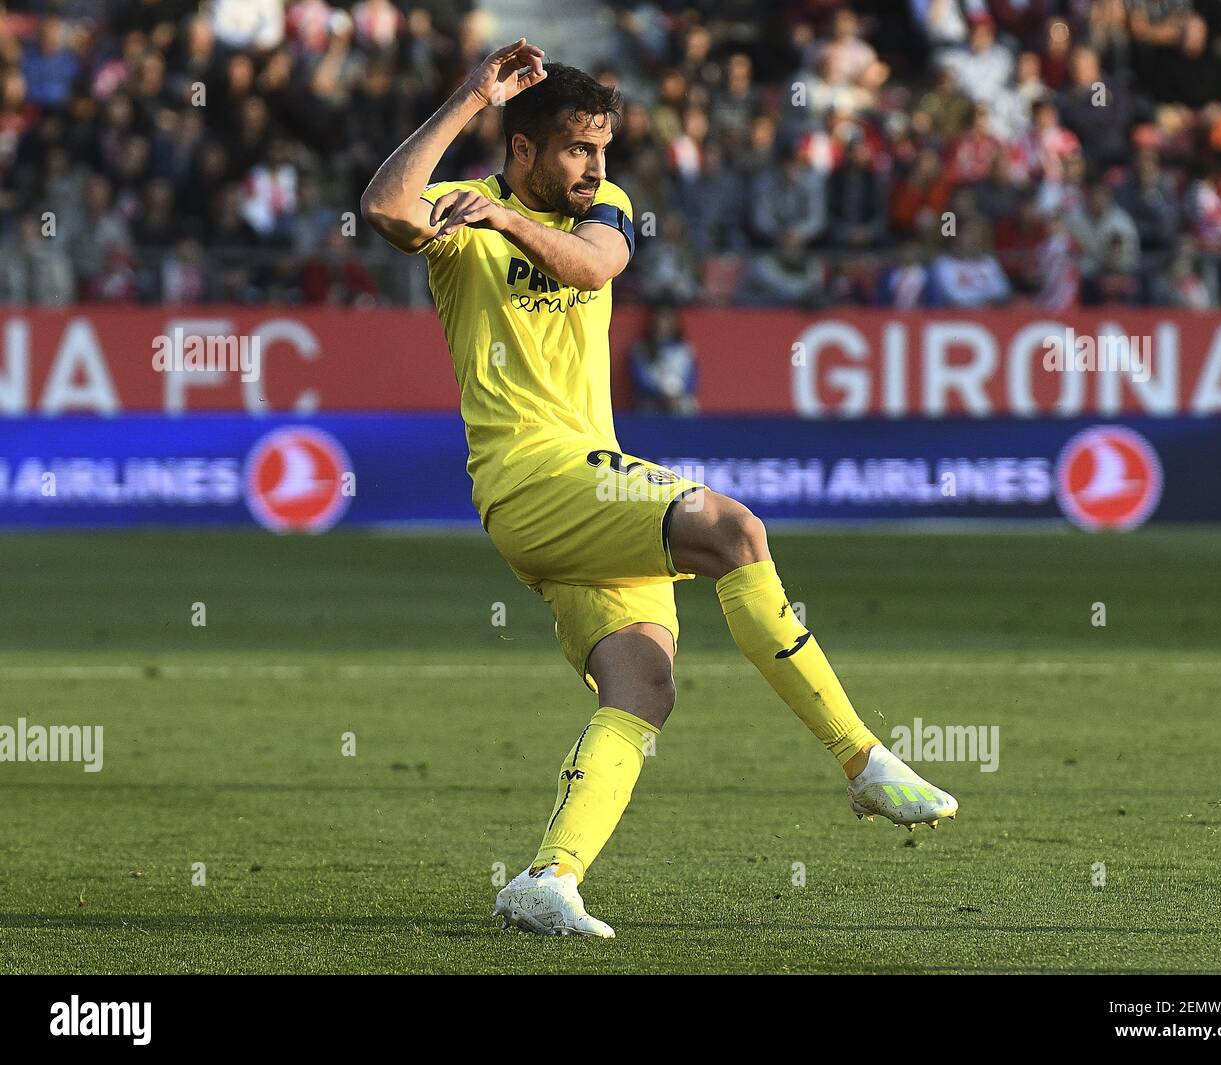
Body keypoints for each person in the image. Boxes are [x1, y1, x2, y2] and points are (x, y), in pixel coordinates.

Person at [361, 40, 957, 939]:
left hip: (582, 481)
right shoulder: (461, 223)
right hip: (532, 473)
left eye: (603, 148)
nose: (597, 167)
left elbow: (596, 265)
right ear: (520, 149)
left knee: (642, 683)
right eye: (575, 148)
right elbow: (381, 206)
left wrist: (501, 219)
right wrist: (470, 98)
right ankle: (862, 760)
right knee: (735, 530)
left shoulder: (595, 208)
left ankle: (546, 879)